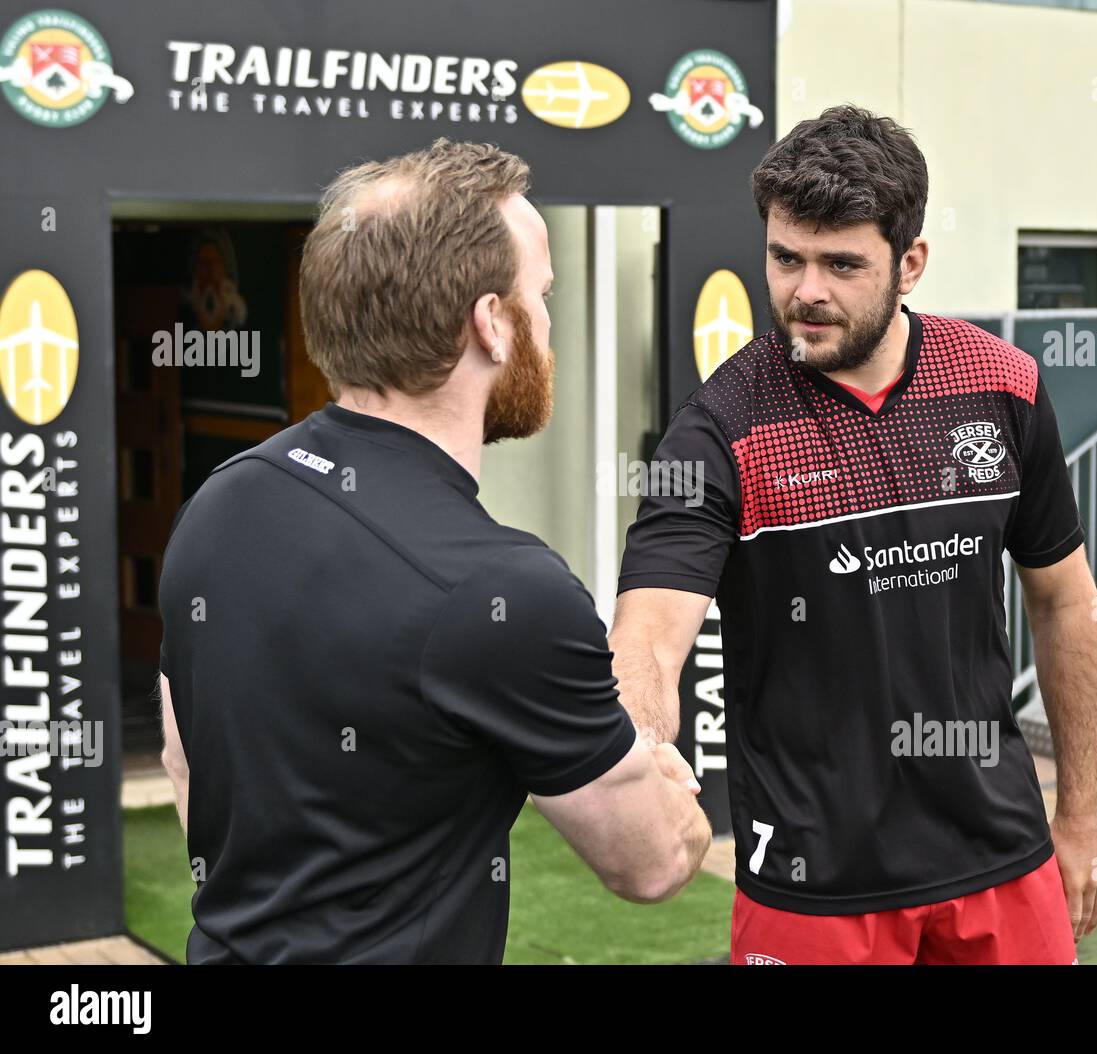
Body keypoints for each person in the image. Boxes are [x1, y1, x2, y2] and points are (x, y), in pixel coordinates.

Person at [157, 139, 711, 965]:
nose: (549, 326)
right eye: (543, 296)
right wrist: (667, 779)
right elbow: (655, 861)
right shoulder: (503, 589)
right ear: (492, 323)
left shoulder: (218, 502)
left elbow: (184, 763)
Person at [610, 105, 1097, 965]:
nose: (807, 291)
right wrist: (644, 747)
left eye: (842, 264)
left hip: (998, 854)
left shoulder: (1002, 388)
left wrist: (1083, 807)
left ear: (910, 262)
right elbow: (650, 636)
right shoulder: (716, 431)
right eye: (785, 257)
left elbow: (1065, 603)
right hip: (813, 882)